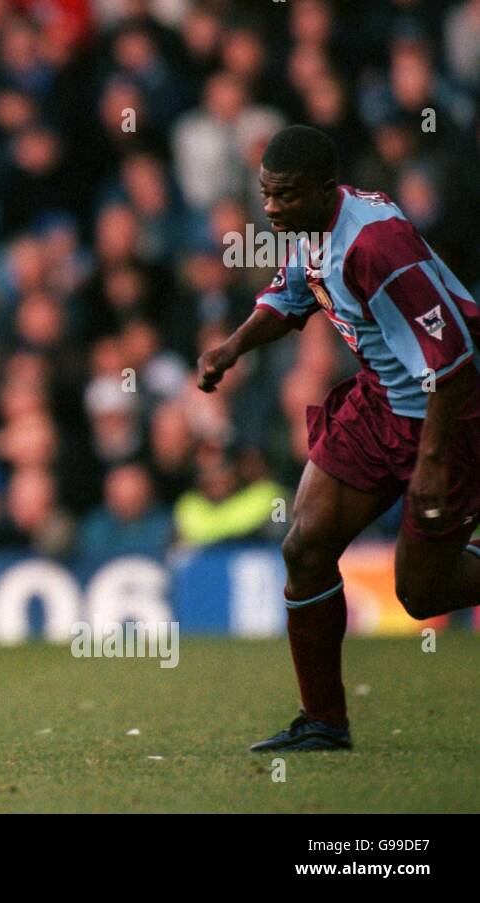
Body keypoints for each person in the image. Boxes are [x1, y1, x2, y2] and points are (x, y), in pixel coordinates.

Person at [197, 125, 480, 752]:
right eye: (267, 195)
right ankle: (323, 721)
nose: (271, 209)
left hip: (452, 414)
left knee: (422, 592)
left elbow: (455, 358)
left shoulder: (377, 245)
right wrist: (234, 347)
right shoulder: (317, 228)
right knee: (303, 546)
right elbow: (291, 295)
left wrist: (431, 463)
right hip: (384, 404)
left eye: (286, 197)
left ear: (324, 190)